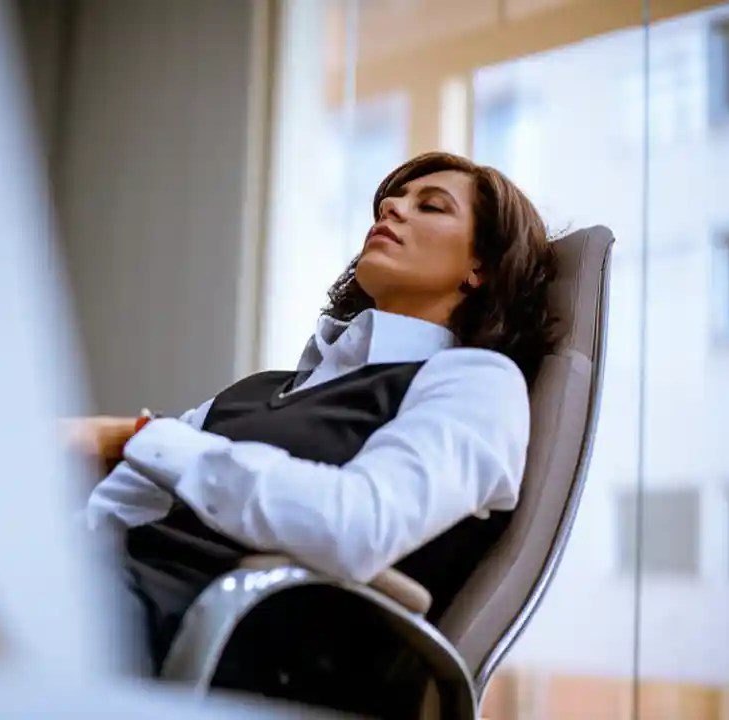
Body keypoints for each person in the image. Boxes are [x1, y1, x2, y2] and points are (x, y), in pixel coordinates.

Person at [67, 151, 556, 713]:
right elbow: (120, 502)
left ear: (481, 266)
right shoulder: (260, 389)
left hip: (229, 647)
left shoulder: (476, 382)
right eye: (391, 200)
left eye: (431, 206)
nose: (393, 206)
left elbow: (358, 525)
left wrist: (135, 437)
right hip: (112, 598)